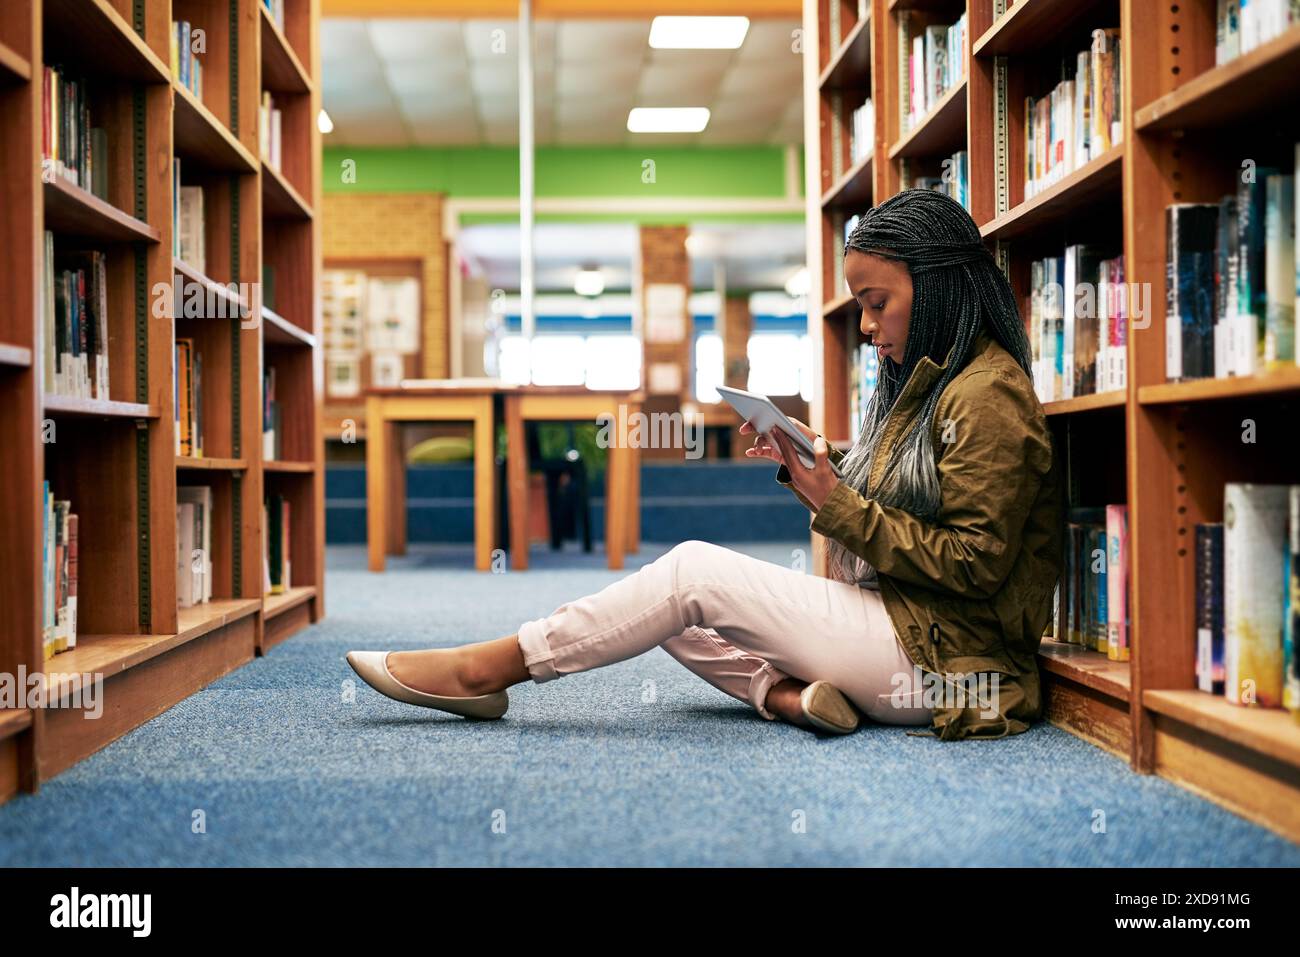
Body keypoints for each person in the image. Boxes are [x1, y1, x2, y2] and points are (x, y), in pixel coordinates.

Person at [347, 189, 1064, 739]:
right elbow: (918, 499)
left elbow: (974, 565)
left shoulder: (989, 395)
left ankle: (487, 669)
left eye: (878, 304)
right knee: (668, 613)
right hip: (906, 627)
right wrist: (824, 460)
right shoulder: (932, 378)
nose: (868, 327)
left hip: (949, 665)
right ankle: (789, 696)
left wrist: (833, 501)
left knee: (689, 575)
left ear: (935, 287)